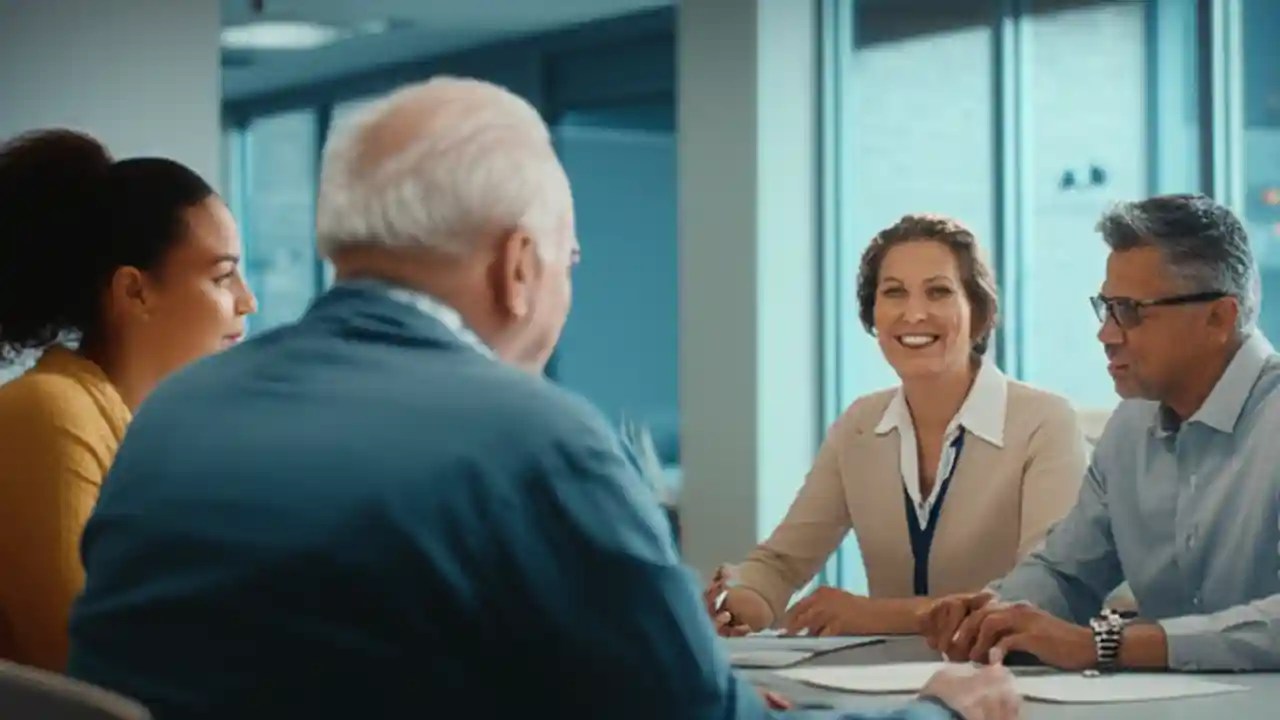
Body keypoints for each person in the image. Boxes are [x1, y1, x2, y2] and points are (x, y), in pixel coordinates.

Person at [68, 77, 1019, 720]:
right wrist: (939, 705)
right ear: (518, 266)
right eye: (568, 258)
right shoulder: (528, 440)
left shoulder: (176, 415)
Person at [921, 193, 1280, 673]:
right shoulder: (1131, 425)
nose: (1106, 335)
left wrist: (1106, 645)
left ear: (1219, 317)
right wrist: (996, 612)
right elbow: (1067, 572)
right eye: (1106, 308)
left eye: (1130, 311)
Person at [706, 215, 1087, 637]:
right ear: (874, 316)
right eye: (894, 293)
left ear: (978, 313)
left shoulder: (1045, 423)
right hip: (887, 685)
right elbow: (780, 565)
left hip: (1014, 680)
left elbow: (1042, 598)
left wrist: (879, 615)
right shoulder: (860, 427)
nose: (915, 313)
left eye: (939, 292)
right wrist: (735, 606)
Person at [0, 130, 257, 671]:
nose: (247, 302)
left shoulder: (157, 432)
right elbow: (77, 659)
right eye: (223, 275)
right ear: (134, 292)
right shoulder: (50, 411)